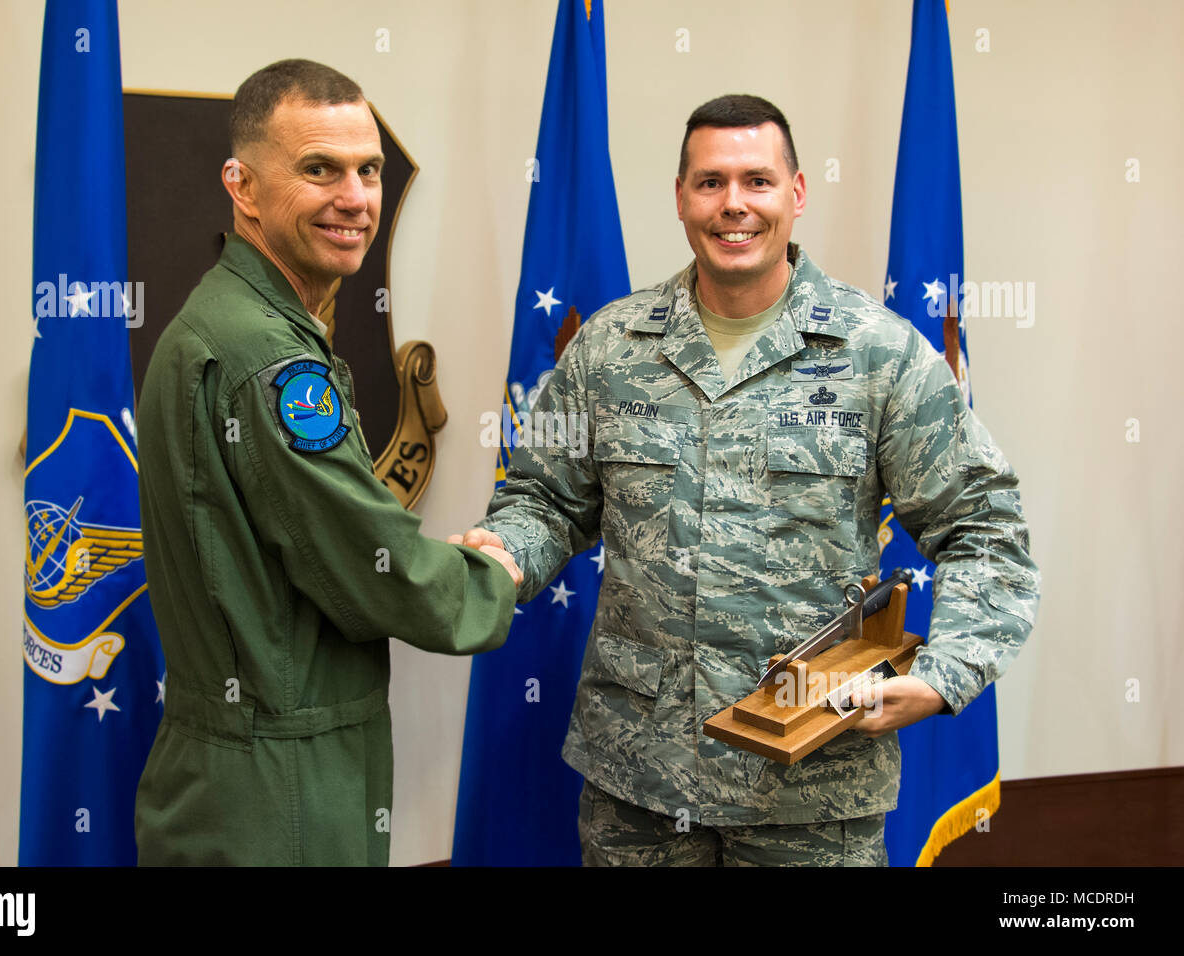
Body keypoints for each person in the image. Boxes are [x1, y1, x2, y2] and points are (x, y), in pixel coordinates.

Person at [452, 94, 1040, 866]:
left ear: (796, 194)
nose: (734, 204)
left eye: (757, 181)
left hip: (813, 789)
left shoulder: (879, 356)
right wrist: (506, 554)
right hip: (641, 784)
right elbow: (546, 501)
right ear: (680, 197)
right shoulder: (608, 348)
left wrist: (942, 675)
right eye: (710, 182)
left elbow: (985, 532)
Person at [134, 59, 522, 866]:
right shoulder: (267, 359)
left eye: (369, 169)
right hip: (282, 789)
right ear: (242, 187)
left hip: (236, 769)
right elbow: (361, 556)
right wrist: (493, 577)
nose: (355, 197)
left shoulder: (228, 321)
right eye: (319, 170)